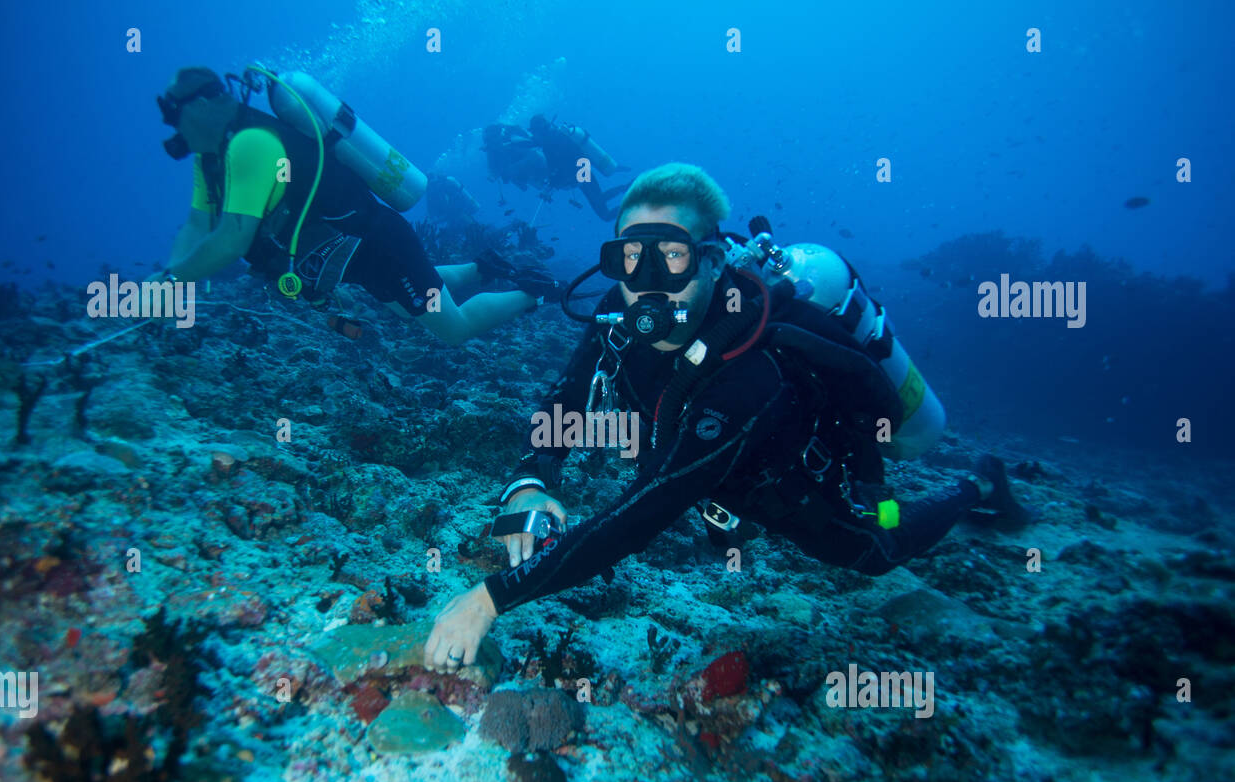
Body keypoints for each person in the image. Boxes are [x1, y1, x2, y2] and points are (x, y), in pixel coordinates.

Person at [424, 162, 1032, 672]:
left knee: (874, 547)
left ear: (713, 261)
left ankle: (973, 488)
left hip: (780, 479)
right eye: (631, 260)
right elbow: (568, 401)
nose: (649, 284)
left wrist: (486, 600)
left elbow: (643, 514)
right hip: (696, 462)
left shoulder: (747, 374)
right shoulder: (622, 307)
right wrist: (531, 480)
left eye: (673, 259)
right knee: (719, 519)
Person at [152, 67, 559, 346]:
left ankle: (535, 291)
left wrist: (169, 283)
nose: (173, 127)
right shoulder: (210, 160)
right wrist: (170, 274)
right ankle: (483, 268)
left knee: (452, 327)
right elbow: (196, 223)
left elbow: (230, 241)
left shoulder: (251, 145)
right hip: (357, 260)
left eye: (174, 114)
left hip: (377, 242)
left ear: (203, 105)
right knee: (417, 299)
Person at [482, 115, 630, 220]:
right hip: (577, 171)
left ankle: (628, 188)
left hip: (581, 168)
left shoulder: (556, 139)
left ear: (541, 130)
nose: (534, 135)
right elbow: (531, 143)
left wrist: (554, 182)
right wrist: (507, 144)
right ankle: (629, 204)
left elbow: (565, 162)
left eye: (535, 132)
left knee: (599, 198)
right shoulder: (546, 140)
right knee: (605, 215)